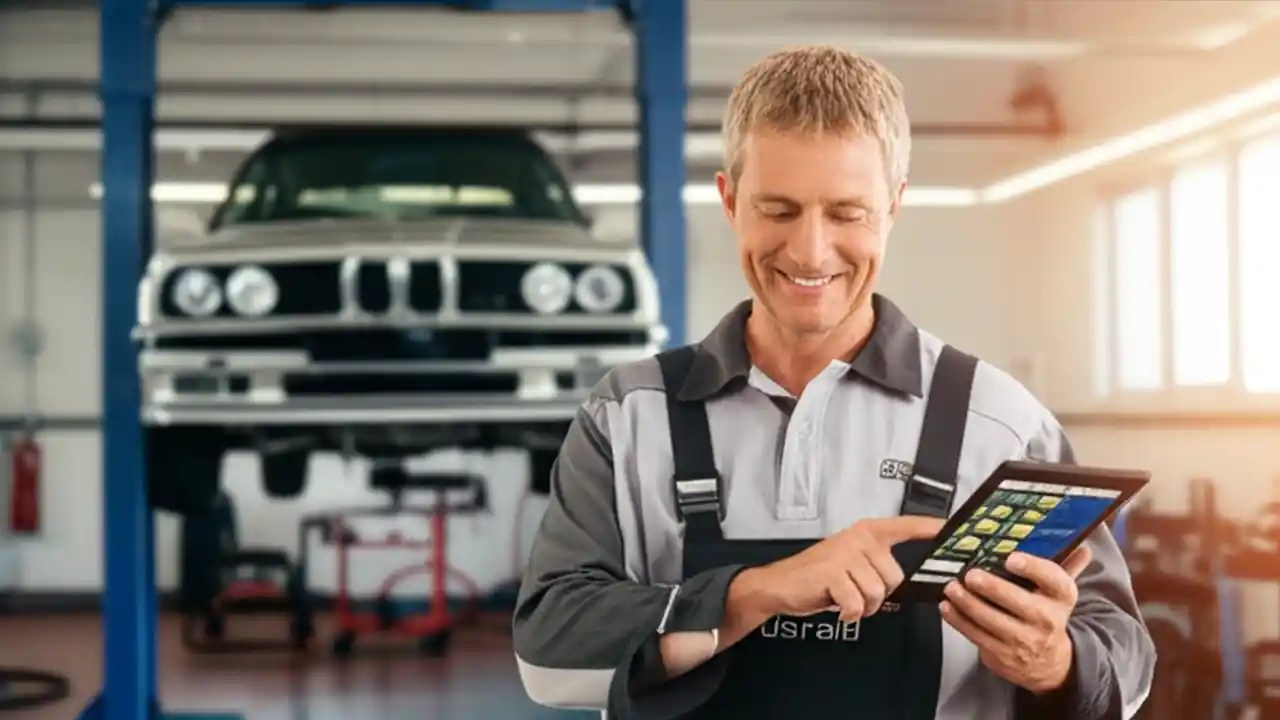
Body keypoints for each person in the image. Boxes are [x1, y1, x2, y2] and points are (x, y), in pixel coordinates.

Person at [512, 45, 1155, 719]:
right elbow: (546, 655)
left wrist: (1056, 662)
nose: (811, 252)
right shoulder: (629, 416)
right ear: (730, 200)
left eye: (846, 213)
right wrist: (758, 592)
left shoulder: (999, 423)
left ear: (893, 206)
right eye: (779, 210)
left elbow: (1124, 655)